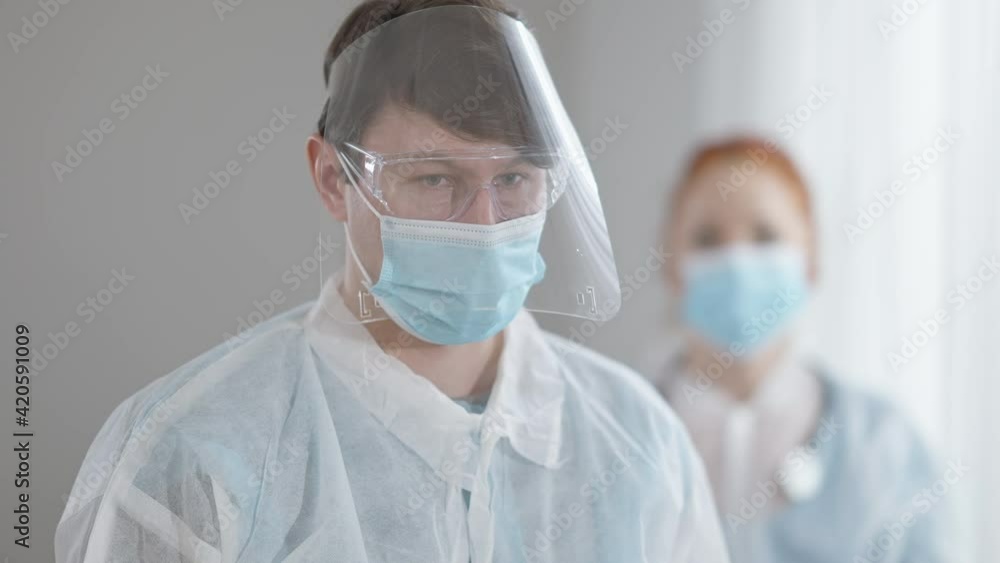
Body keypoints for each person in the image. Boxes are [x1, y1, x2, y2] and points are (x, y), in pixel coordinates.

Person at [54, 2, 731, 561]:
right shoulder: (193, 452)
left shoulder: (638, 444)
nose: (486, 223)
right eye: (436, 179)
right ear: (331, 179)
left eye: (515, 180)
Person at [652, 137, 950, 562]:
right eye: (708, 238)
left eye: (766, 235)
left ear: (810, 261)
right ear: (671, 264)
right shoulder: (622, 434)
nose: (737, 258)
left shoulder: (884, 445)